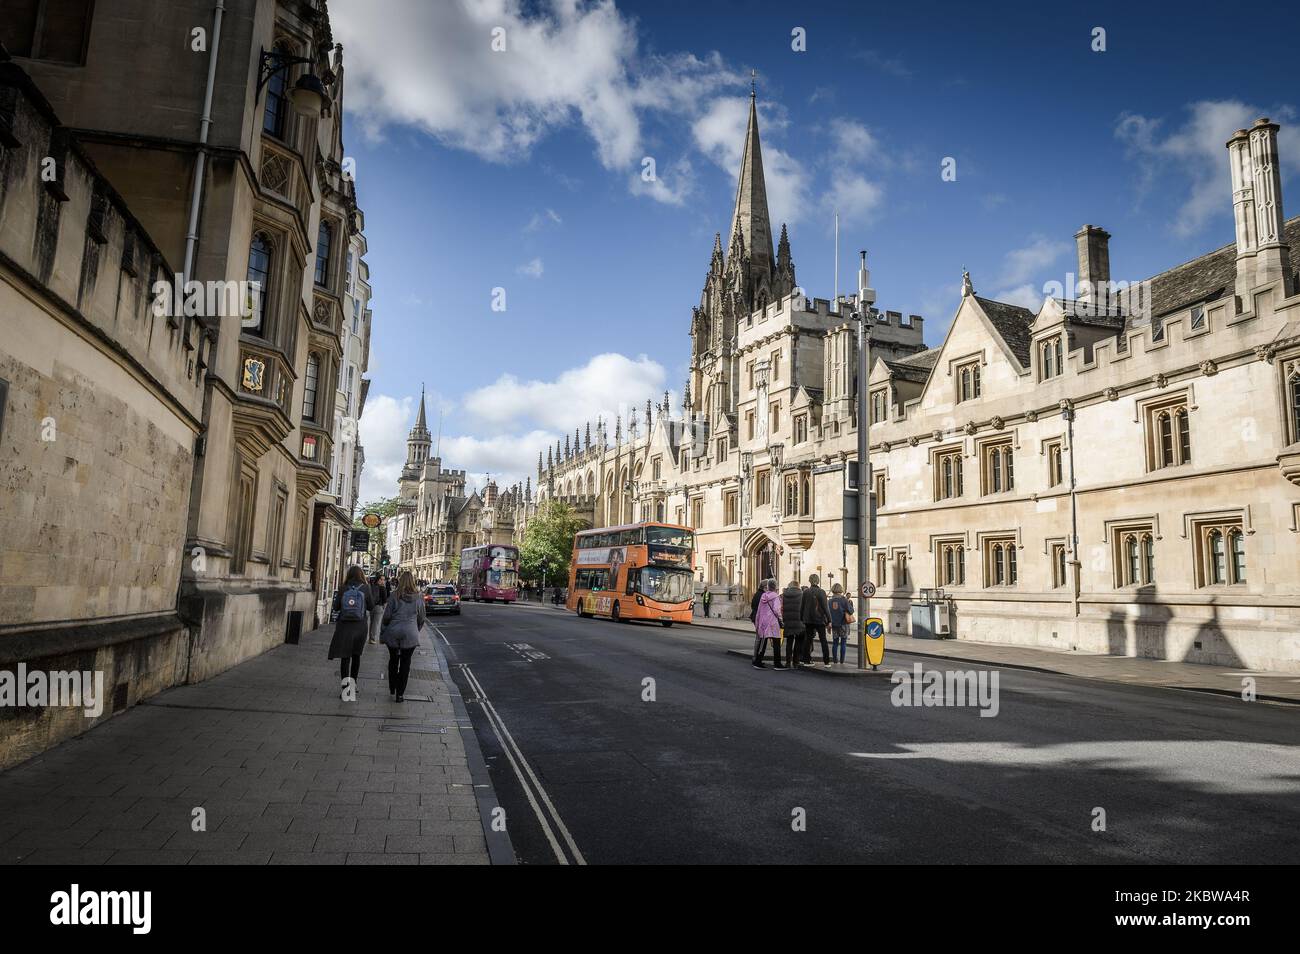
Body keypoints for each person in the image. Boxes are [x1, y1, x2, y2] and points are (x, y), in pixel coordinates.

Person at [328, 565, 374, 700]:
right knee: (356, 656)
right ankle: (353, 686)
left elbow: (336, 607)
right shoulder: (366, 588)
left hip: (344, 627)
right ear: (361, 575)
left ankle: (345, 690)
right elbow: (371, 606)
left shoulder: (343, 588)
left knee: (345, 658)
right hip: (360, 627)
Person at [381, 570, 426, 703]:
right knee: (406, 663)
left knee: (393, 660)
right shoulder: (418, 597)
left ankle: (392, 687)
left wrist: (384, 630)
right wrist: (415, 629)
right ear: (413, 582)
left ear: (400, 581)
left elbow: (387, 616)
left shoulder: (394, 595)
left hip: (393, 631)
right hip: (410, 633)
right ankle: (400, 694)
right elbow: (422, 617)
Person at [752, 580, 786, 669]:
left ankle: (758, 661)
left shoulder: (763, 596)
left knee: (763, 641)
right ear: (775, 587)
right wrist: (781, 621)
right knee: (776, 642)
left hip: (763, 621)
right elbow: (777, 610)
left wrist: (757, 622)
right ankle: (777, 663)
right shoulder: (776, 597)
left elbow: (759, 610)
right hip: (773, 622)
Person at [800, 572, 832, 668]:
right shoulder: (821, 592)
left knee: (808, 640)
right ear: (818, 581)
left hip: (808, 619)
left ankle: (806, 660)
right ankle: (826, 662)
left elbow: (802, 606)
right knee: (823, 640)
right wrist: (829, 620)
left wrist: (801, 618)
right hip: (819, 619)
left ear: (810, 581)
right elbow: (825, 607)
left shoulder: (805, 592)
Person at [780, 579, 806, 669]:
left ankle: (787, 662)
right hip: (799, 622)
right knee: (798, 643)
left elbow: (782, 608)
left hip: (788, 621)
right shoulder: (802, 594)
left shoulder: (785, 595)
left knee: (789, 643)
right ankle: (796, 662)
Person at [829, 583, 855, 666]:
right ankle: (842, 661)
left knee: (835, 643)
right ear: (841, 590)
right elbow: (851, 611)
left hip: (834, 624)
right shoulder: (844, 600)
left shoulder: (829, 601)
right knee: (843, 643)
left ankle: (835, 660)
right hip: (844, 624)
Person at [367, 574, 388, 645]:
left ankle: (370, 637)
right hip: (379, 607)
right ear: (378, 580)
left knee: (372, 623)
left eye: (383, 579)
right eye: (381, 579)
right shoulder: (382, 588)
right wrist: (384, 607)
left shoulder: (372, 586)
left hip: (372, 606)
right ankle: (372, 639)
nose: (383, 581)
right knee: (375, 624)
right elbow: (385, 600)